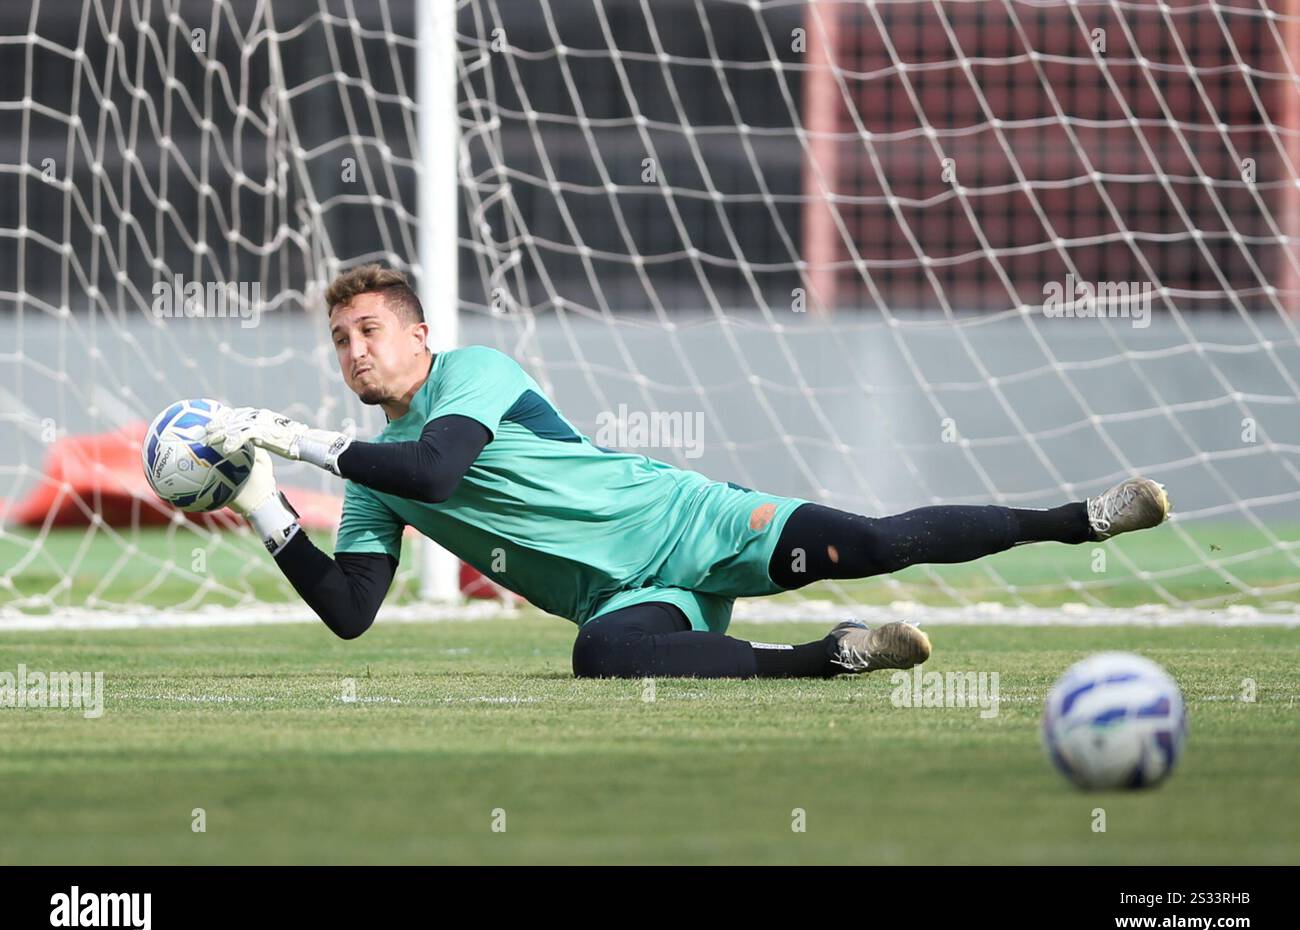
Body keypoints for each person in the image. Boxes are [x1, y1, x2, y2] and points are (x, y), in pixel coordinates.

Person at [206, 264, 1170, 679]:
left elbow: (439, 467)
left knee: (870, 542)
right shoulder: (370, 473)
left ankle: (1077, 519)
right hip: (627, 598)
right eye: (340, 340)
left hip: (689, 524)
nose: (354, 352)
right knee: (599, 658)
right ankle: (829, 657)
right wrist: (259, 499)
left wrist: (301, 442)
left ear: (418, 334)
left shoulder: (472, 375)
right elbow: (350, 609)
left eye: (368, 331)